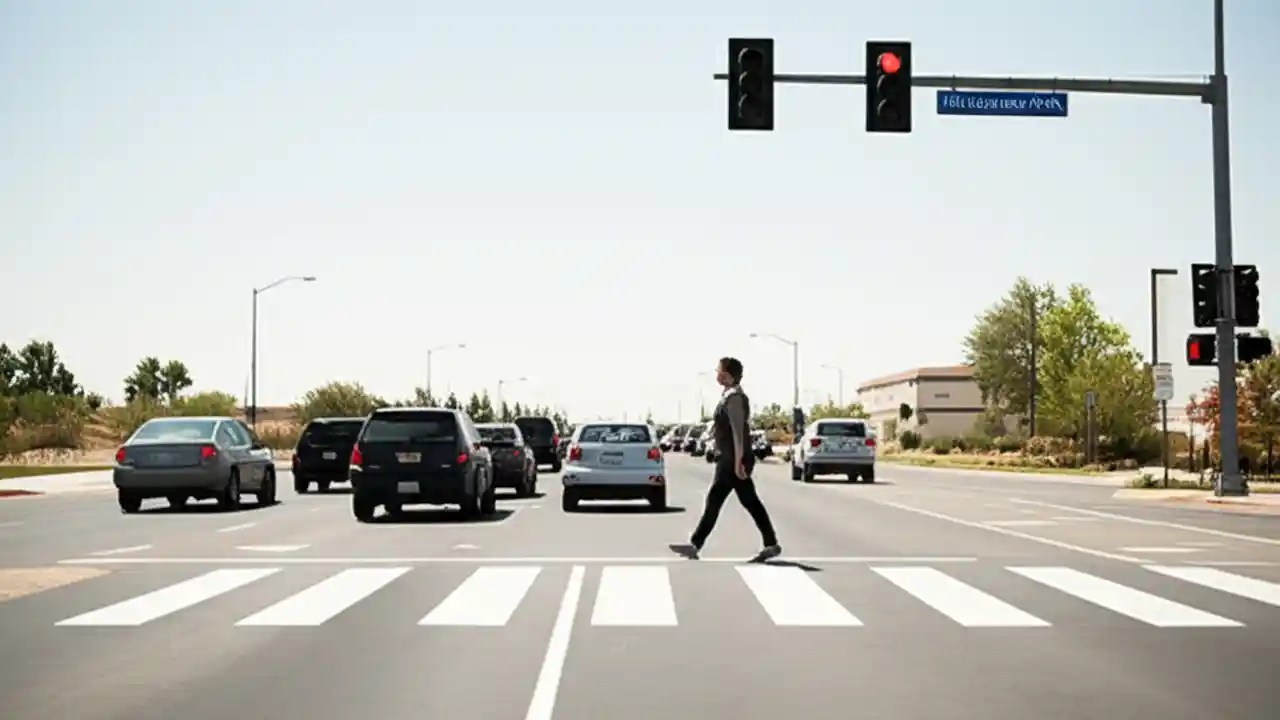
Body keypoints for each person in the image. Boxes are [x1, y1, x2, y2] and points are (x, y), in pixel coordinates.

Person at [675, 356, 781, 561]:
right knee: (749, 501)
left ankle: (695, 544)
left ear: (727, 374)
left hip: (733, 457)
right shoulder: (728, 395)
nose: (716, 374)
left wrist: (739, 461)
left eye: (719, 370)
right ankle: (771, 543)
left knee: (715, 499)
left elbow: (738, 432)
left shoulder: (735, 398)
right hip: (730, 456)